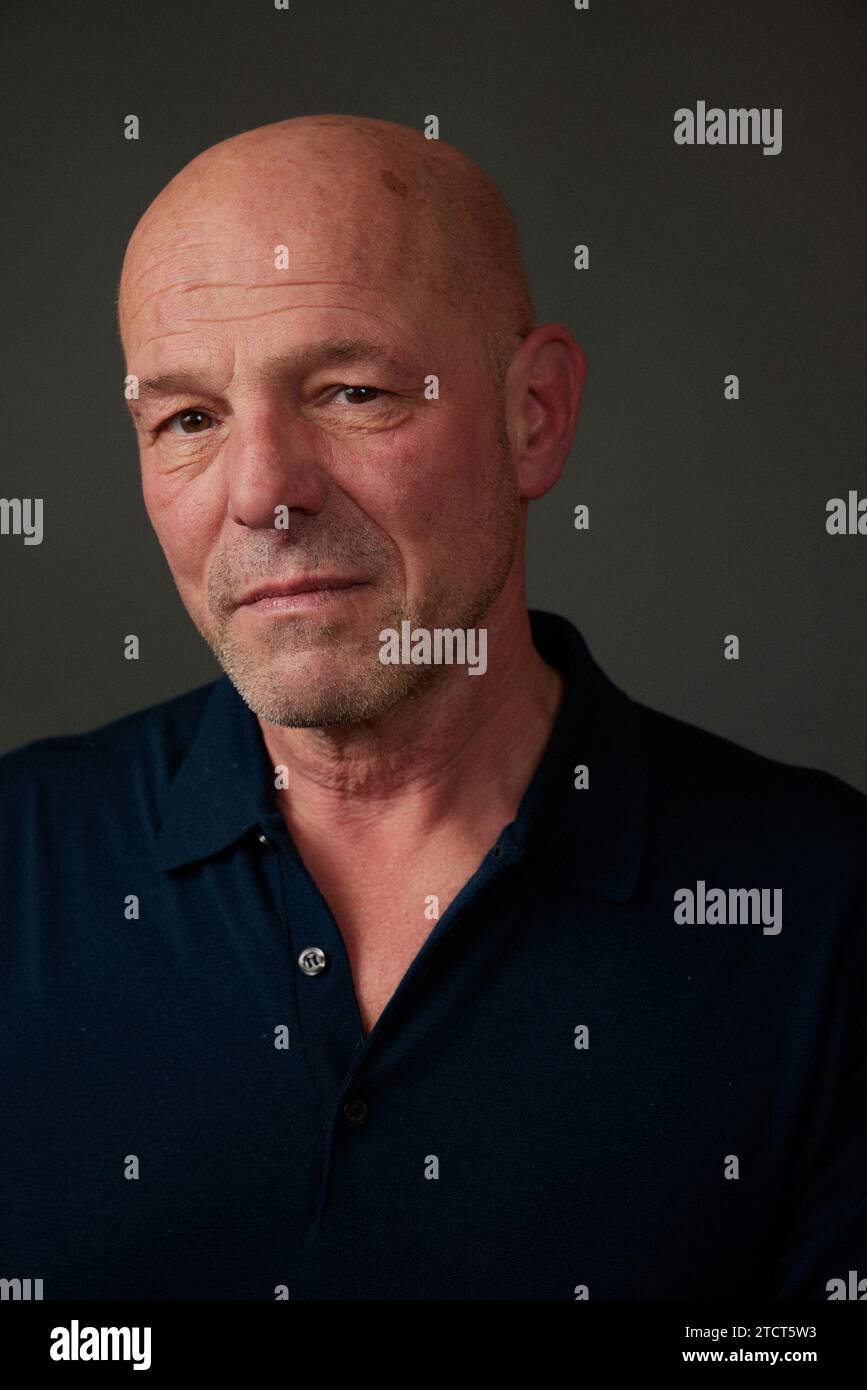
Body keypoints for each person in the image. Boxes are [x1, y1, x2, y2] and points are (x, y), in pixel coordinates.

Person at [1, 115, 864, 1301]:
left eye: (351, 390)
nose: (263, 493)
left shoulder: (824, 919)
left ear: (535, 415)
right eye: (189, 420)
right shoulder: (15, 863)